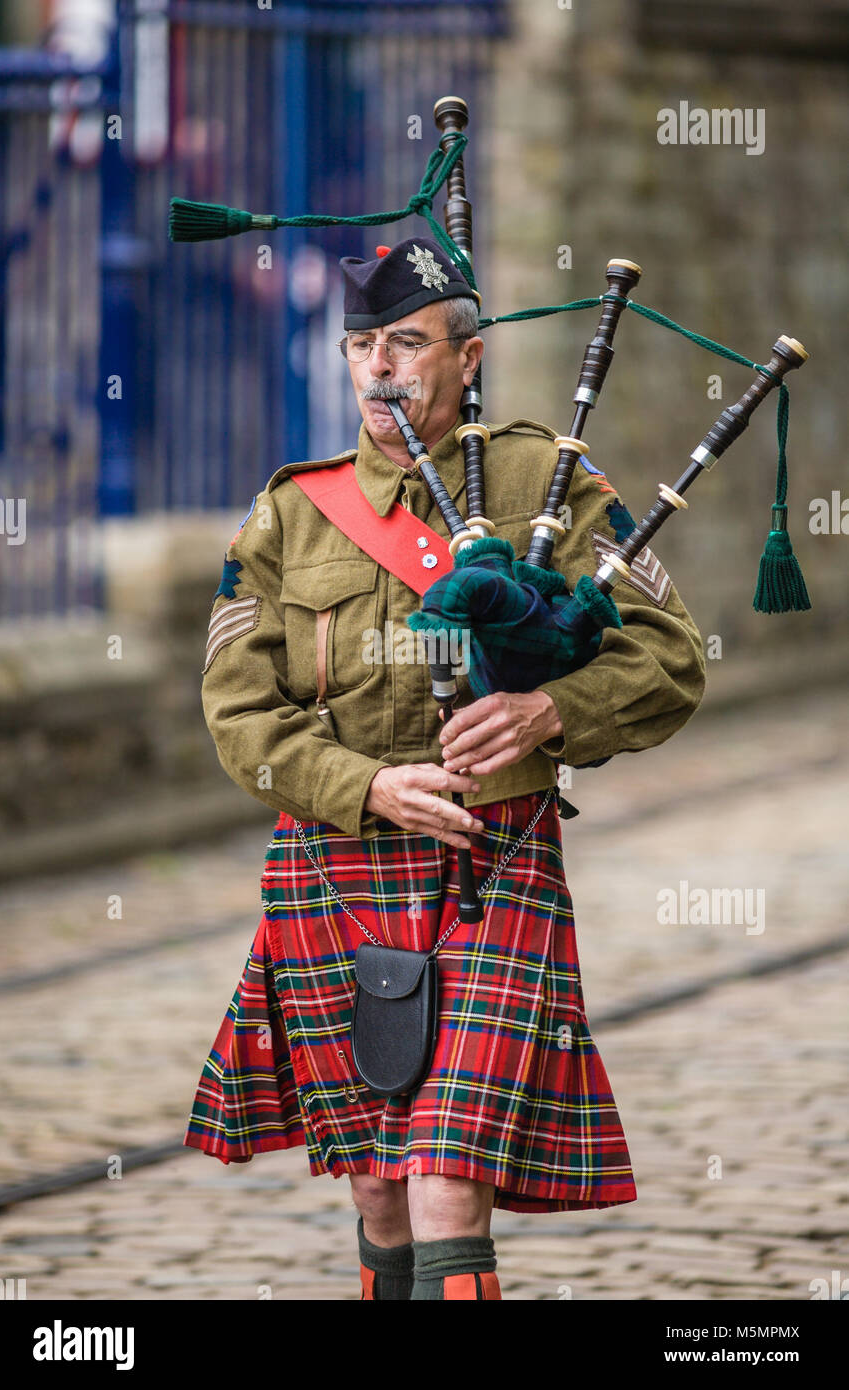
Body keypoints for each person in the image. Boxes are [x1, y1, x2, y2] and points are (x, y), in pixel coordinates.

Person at [184, 235, 706, 1300]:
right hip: (335, 871)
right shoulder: (287, 514)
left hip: (491, 862)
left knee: (444, 1175)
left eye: (407, 342)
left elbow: (670, 658)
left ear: (467, 358)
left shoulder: (543, 480)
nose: (381, 365)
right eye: (361, 344)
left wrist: (544, 710)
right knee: (377, 1183)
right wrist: (363, 785)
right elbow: (238, 710)